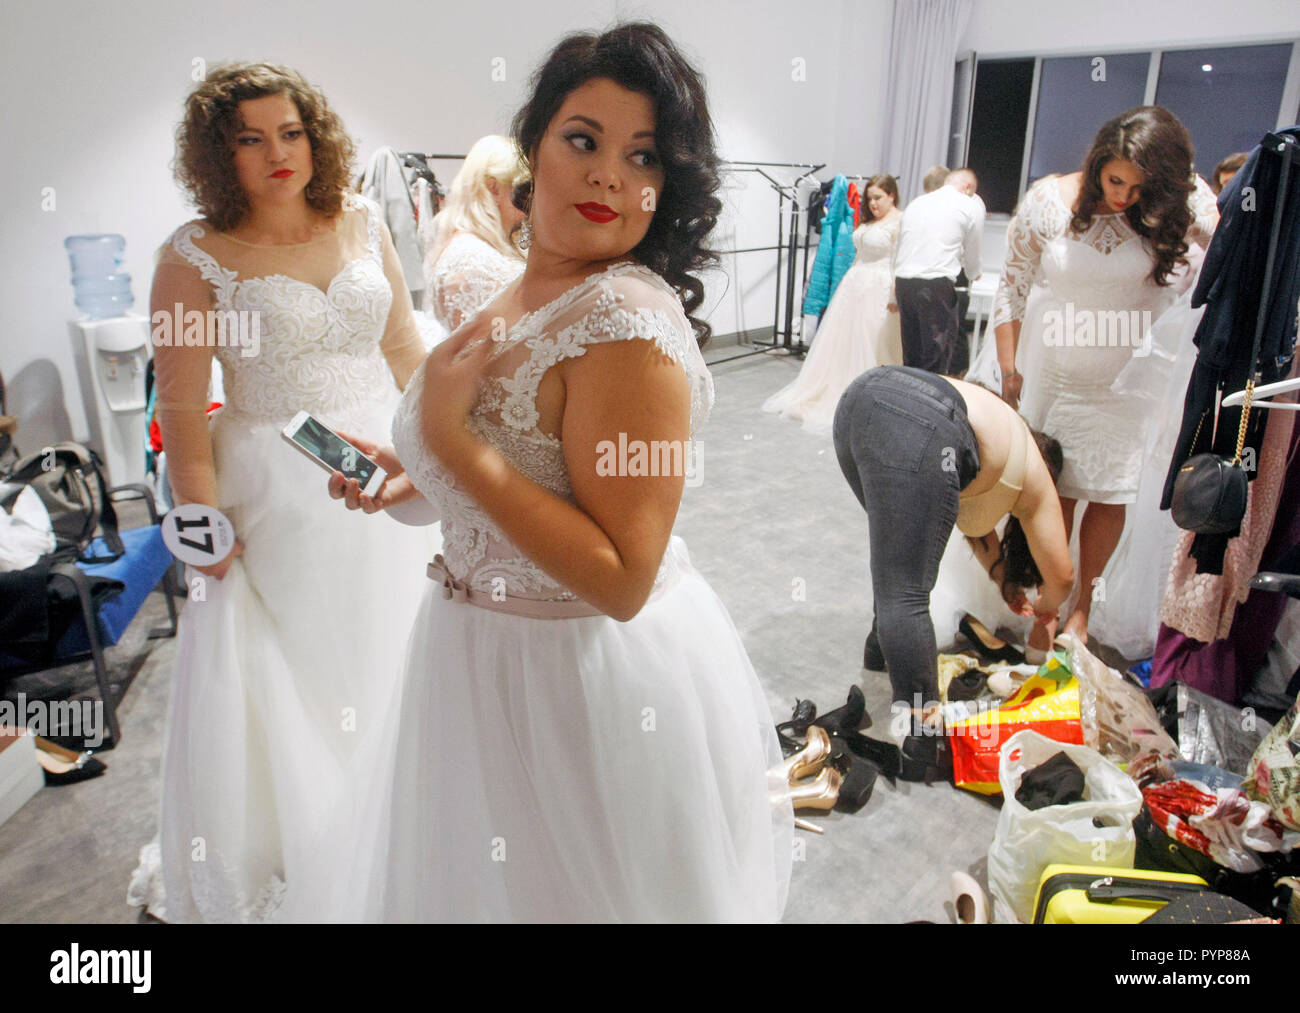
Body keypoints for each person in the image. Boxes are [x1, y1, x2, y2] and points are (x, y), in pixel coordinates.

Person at [316, 23, 791, 922]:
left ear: (665, 185)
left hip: (577, 676)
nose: (611, 174)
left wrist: (456, 448)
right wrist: (414, 475)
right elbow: (523, 474)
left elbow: (623, 577)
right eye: (584, 140)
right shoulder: (519, 289)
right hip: (479, 658)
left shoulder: (625, 321)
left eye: (641, 155)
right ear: (532, 147)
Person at [126, 63, 435, 923]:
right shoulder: (193, 259)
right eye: (251, 139)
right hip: (272, 481)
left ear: (315, 135)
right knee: (306, 666)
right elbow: (183, 409)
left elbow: (407, 350)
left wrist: (441, 453)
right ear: (219, 156)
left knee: (400, 641)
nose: (277, 154)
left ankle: (401, 820)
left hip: (380, 457)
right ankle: (313, 849)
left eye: (291, 132)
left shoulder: (363, 220)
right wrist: (201, 525)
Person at [991, 105, 1218, 644]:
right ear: (1097, 164)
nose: (1124, 196)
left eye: (1140, 187)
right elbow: (1012, 285)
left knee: (1109, 494)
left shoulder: (1174, 204)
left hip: (1129, 381)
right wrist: (1008, 367)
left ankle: (1082, 610)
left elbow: (1230, 240)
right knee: (1055, 493)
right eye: (1116, 180)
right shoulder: (1049, 202)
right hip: (1058, 371)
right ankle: (1048, 600)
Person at [832, 366, 1073, 780]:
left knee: (895, 556)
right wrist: (1047, 611)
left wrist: (1004, 583)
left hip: (858, 402)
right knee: (906, 592)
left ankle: (878, 649)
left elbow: (978, 531)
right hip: (920, 419)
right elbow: (1063, 577)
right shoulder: (1036, 474)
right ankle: (921, 743)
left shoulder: (999, 436)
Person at [763, 174, 903, 433]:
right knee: (844, 342)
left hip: (880, 287)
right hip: (854, 285)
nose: (872, 204)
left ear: (891, 195)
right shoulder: (870, 221)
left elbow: (899, 262)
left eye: (877, 198)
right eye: (869, 199)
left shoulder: (899, 222)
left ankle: (873, 397)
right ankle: (842, 389)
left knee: (872, 342)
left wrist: (895, 296)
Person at [421, 134, 528, 332]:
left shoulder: (472, 246)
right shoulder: (471, 258)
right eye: (522, 191)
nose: (529, 204)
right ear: (494, 188)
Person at [892, 169, 985, 375]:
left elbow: (900, 245)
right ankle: (929, 404)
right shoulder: (970, 205)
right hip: (935, 284)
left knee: (911, 353)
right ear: (967, 187)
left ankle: (908, 401)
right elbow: (973, 251)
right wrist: (973, 273)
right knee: (936, 355)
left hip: (904, 282)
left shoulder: (917, 203)